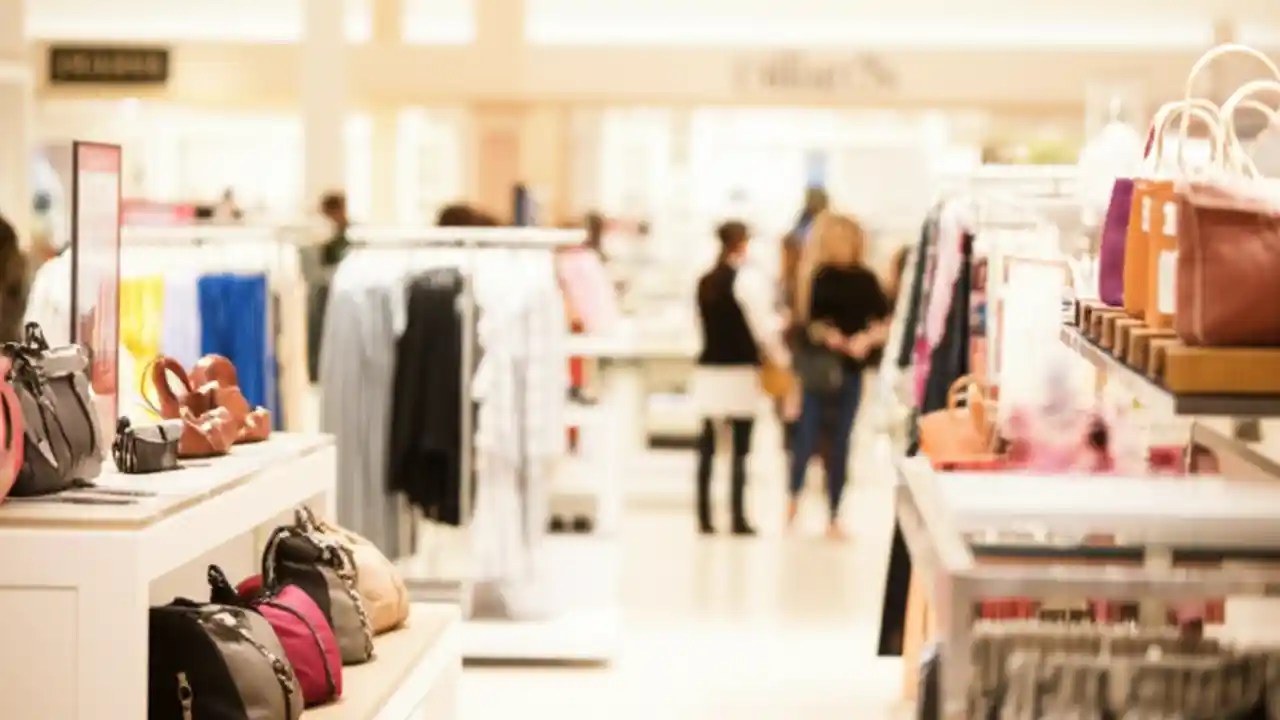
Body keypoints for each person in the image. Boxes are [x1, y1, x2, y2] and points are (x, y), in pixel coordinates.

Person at [788, 213, 890, 539]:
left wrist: (865, 340)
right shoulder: (816, 278)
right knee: (807, 437)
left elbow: (884, 321)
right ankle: (794, 500)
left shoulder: (867, 280)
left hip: (851, 370)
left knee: (841, 441)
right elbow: (809, 325)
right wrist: (833, 337)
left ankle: (833, 513)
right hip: (821, 370)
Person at [691, 221, 788, 536]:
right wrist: (781, 358)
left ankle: (704, 516)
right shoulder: (747, 281)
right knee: (740, 448)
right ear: (743, 243)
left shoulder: (705, 281)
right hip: (740, 370)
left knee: (708, 444)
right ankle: (737, 516)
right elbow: (762, 328)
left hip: (709, 369)